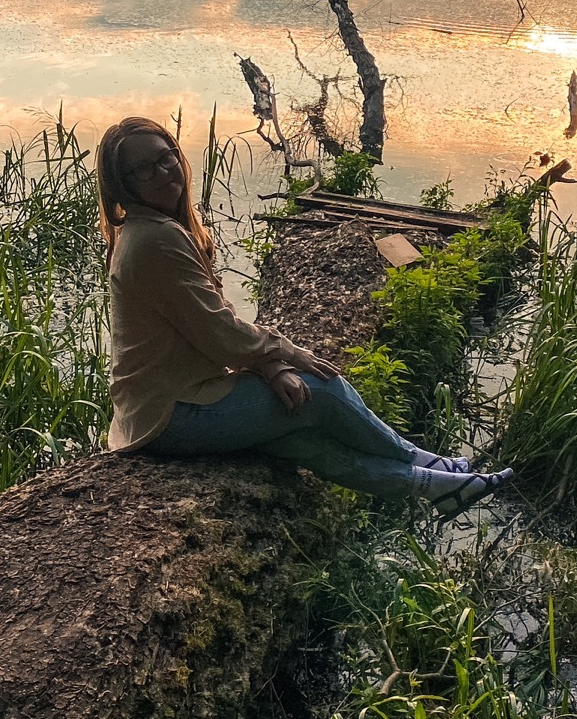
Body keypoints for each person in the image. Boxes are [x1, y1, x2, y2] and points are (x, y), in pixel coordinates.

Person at [96, 117, 510, 518]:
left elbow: (206, 322)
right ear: (123, 185)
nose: (163, 171)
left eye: (166, 156)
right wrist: (287, 353)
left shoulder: (156, 228)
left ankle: (433, 487)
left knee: (300, 438)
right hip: (173, 412)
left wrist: (271, 367)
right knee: (322, 389)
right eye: (143, 168)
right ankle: (432, 464)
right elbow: (220, 333)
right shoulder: (156, 239)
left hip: (156, 412)